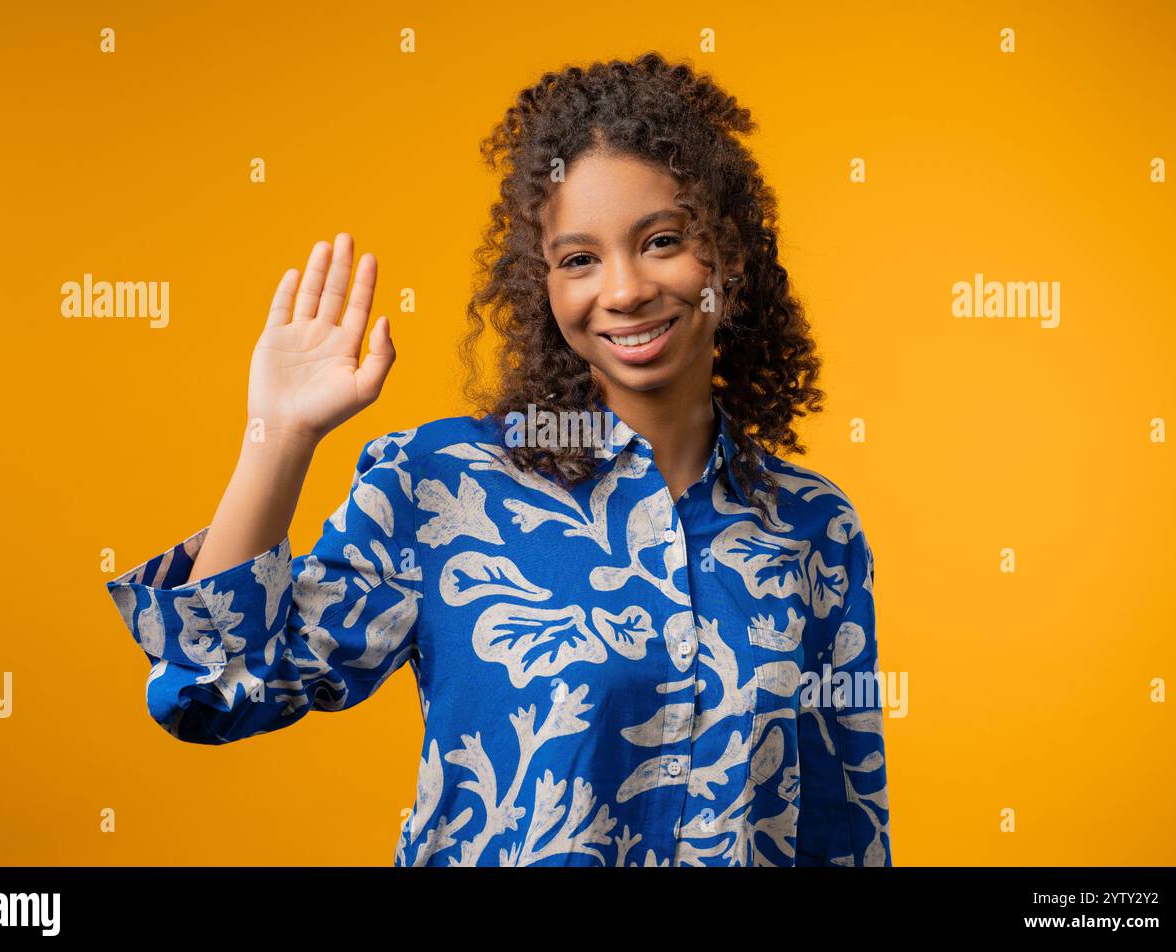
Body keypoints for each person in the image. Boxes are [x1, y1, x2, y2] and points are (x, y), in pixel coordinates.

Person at [105, 51, 891, 867]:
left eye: (661, 241)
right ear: (541, 284)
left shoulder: (812, 526)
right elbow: (212, 690)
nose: (621, 290)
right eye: (579, 259)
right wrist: (279, 434)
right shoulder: (443, 487)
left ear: (725, 252)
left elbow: (845, 827)